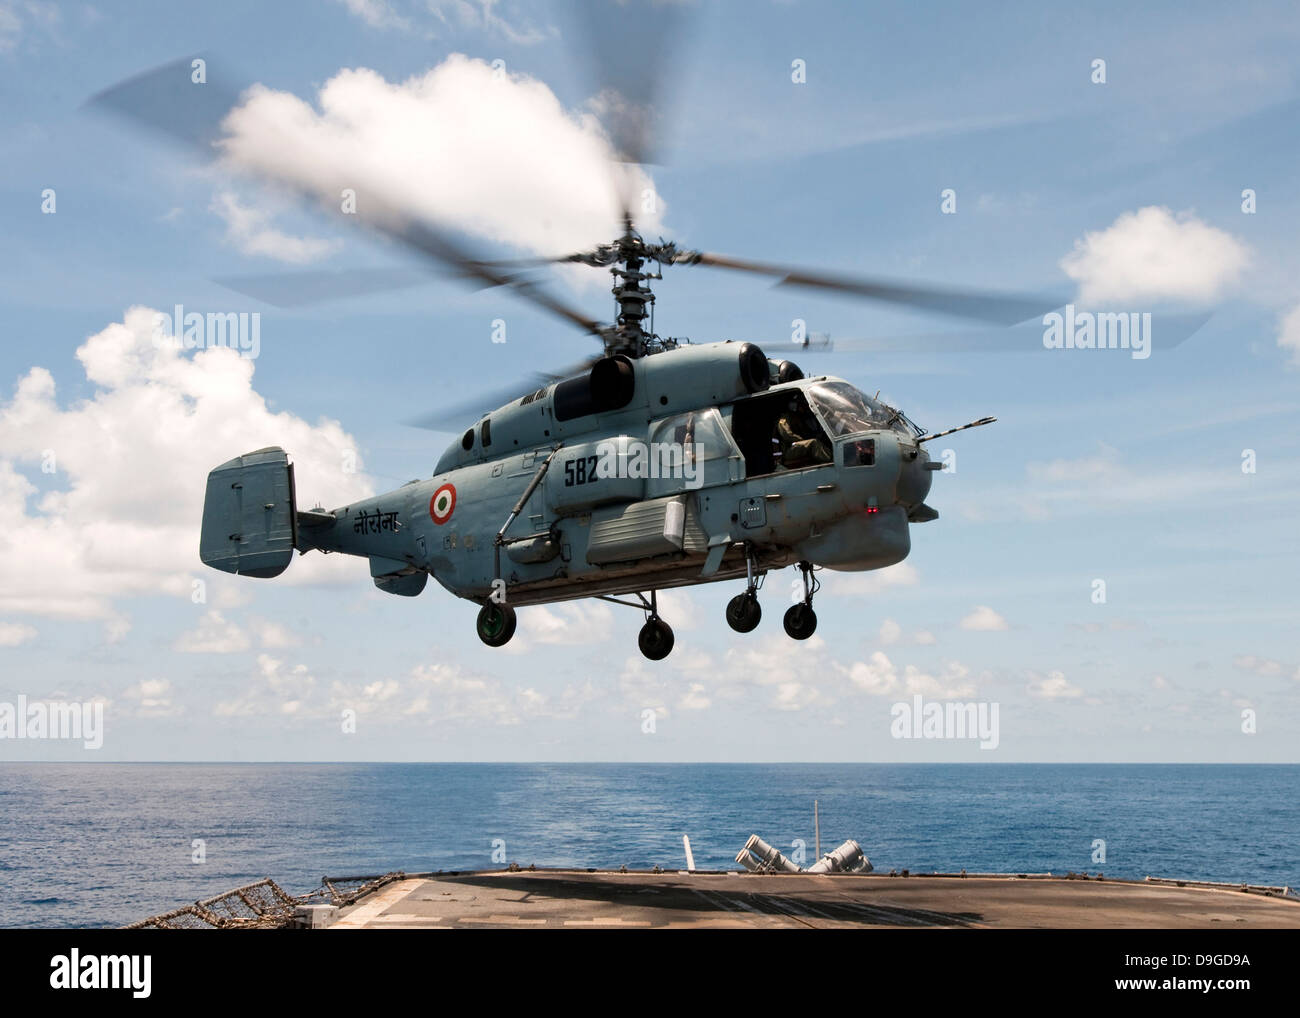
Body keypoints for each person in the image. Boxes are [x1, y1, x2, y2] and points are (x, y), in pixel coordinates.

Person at [774, 398, 831, 469]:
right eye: (801, 406)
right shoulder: (784, 418)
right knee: (813, 443)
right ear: (795, 407)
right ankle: (829, 463)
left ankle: (830, 456)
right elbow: (787, 435)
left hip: (795, 446)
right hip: (788, 450)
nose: (804, 408)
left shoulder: (798, 418)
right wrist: (802, 439)